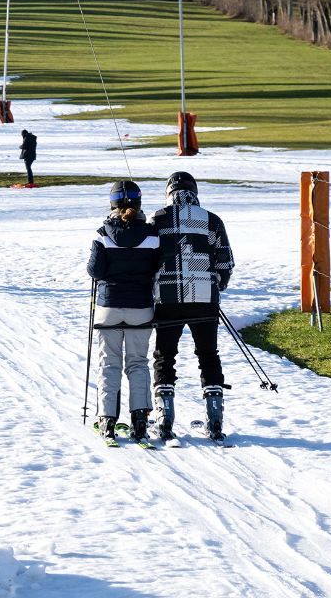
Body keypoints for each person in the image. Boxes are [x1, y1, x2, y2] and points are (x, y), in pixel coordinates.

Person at [151, 171, 234, 441]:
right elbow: (225, 263)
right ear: (195, 193)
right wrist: (218, 285)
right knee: (208, 355)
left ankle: (164, 418)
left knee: (165, 356)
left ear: (168, 193)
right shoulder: (212, 220)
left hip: (168, 299)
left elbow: (148, 260)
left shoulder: (157, 219)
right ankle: (215, 420)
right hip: (205, 299)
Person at [86, 180, 160, 443]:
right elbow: (155, 268)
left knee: (109, 363)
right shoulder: (152, 235)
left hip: (110, 306)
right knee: (138, 363)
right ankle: (140, 420)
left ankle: (107, 420)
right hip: (141, 306)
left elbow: (95, 271)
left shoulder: (103, 234)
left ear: (112, 203)